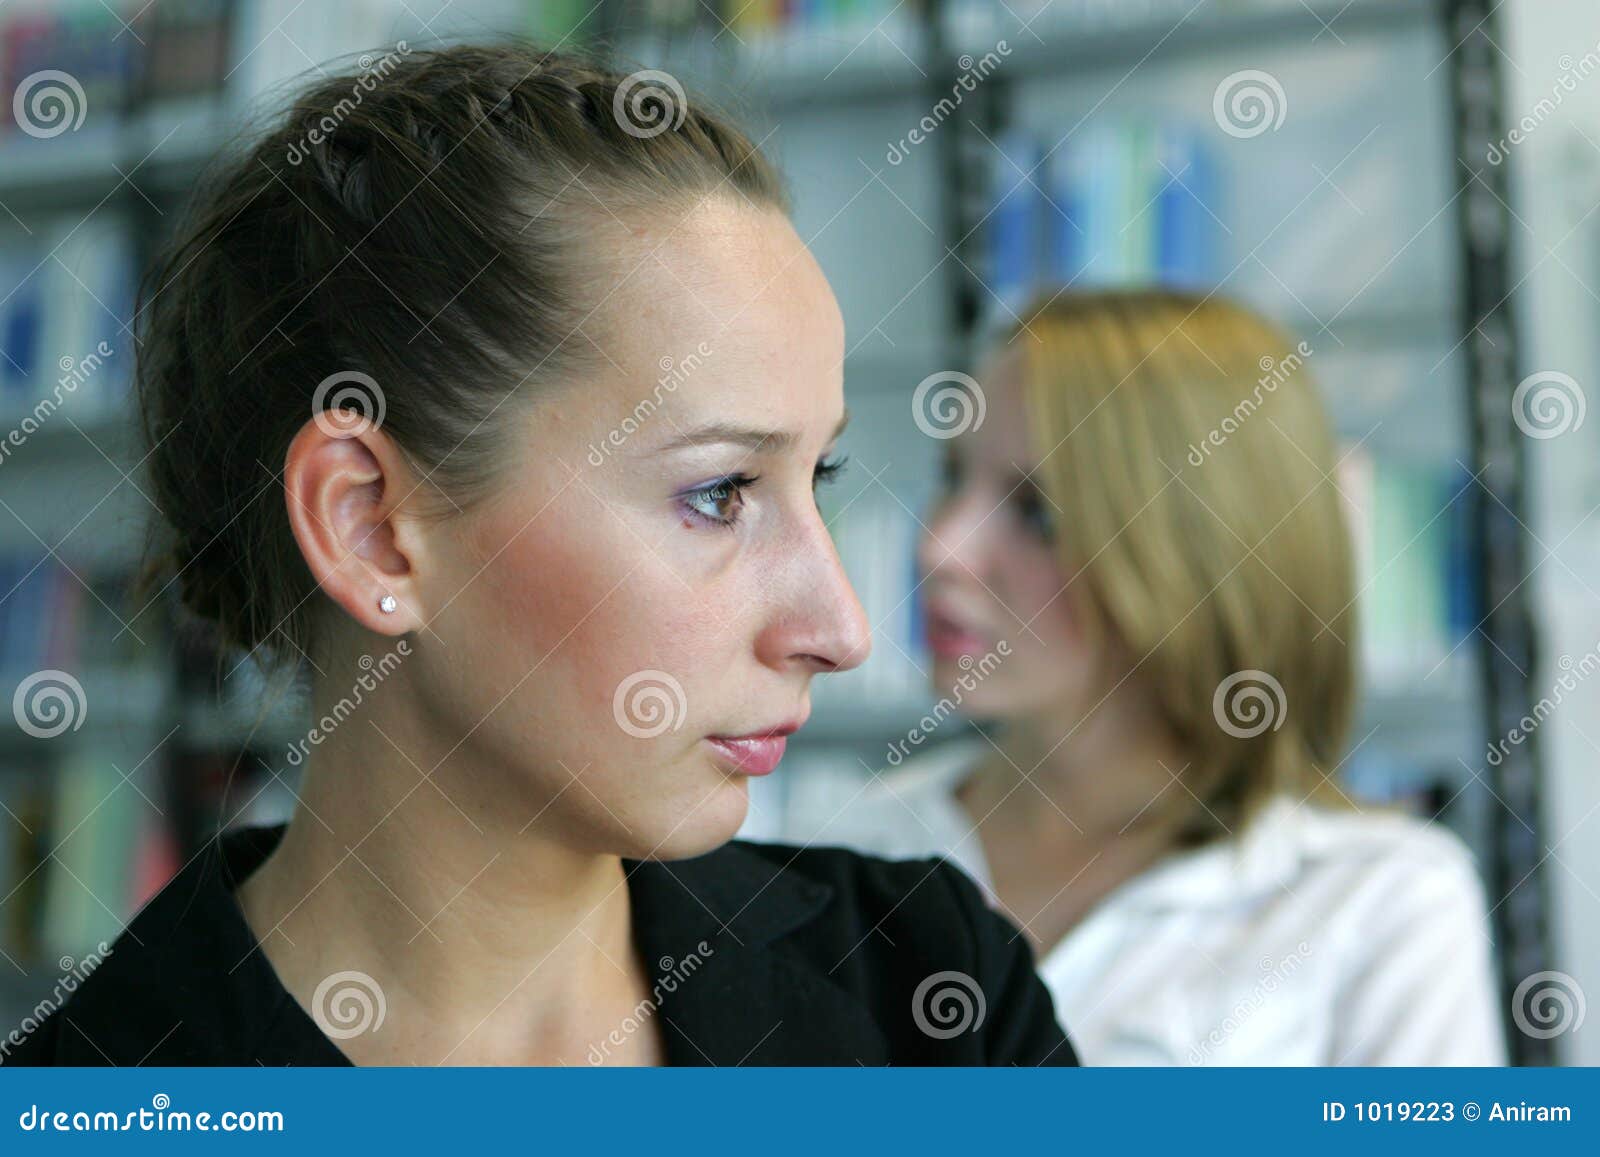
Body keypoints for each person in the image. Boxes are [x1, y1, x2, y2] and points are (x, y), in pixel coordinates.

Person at [1, 43, 1075, 1068]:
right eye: (719, 491)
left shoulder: (932, 994)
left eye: (818, 478)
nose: (841, 628)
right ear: (369, 526)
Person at [779, 289, 1507, 1065]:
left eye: (1037, 511)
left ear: (1194, 550)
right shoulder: (839, 847)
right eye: (955, 478)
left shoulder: (1383, 905)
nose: (941, 547)